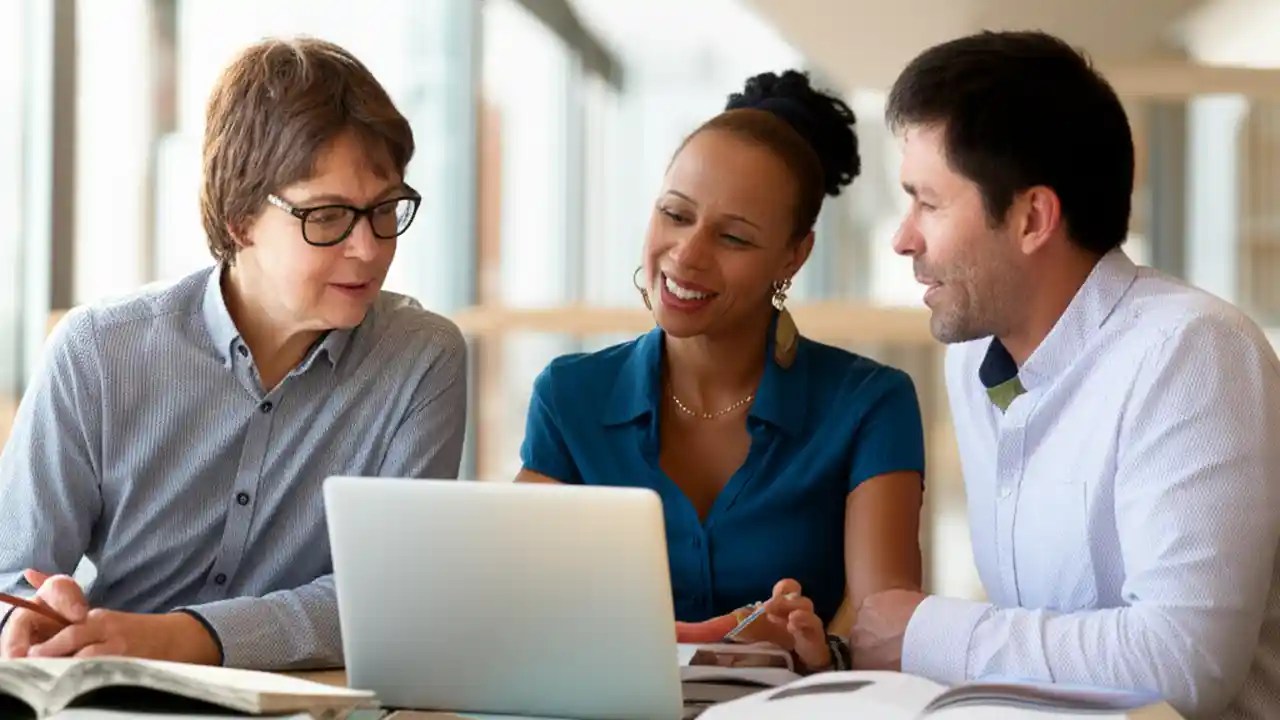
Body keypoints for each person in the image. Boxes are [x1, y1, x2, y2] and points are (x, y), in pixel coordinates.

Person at [838, 30, 1280, 719]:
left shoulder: (1193, 353)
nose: (903, 238)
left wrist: (924, 632)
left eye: (927, 202)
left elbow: (1184, 664)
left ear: (1032, 218)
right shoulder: (976, 360)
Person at [0, 38, 468, 670]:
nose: (369, 247)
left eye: (385, 209)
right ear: (240, 217)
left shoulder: (422, 361)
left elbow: (393, 599)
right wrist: (28, 612)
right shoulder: (97, 354)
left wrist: (175, 638)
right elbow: (12, 572)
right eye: (327, 217)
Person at [516, 70, 926, 672]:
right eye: (675, 215)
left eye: (733, 237)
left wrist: (818, 652)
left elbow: (884, 639)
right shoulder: (569, 396)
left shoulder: (870, 404)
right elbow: (514, 606)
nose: (687, 255)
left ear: (794, 255)